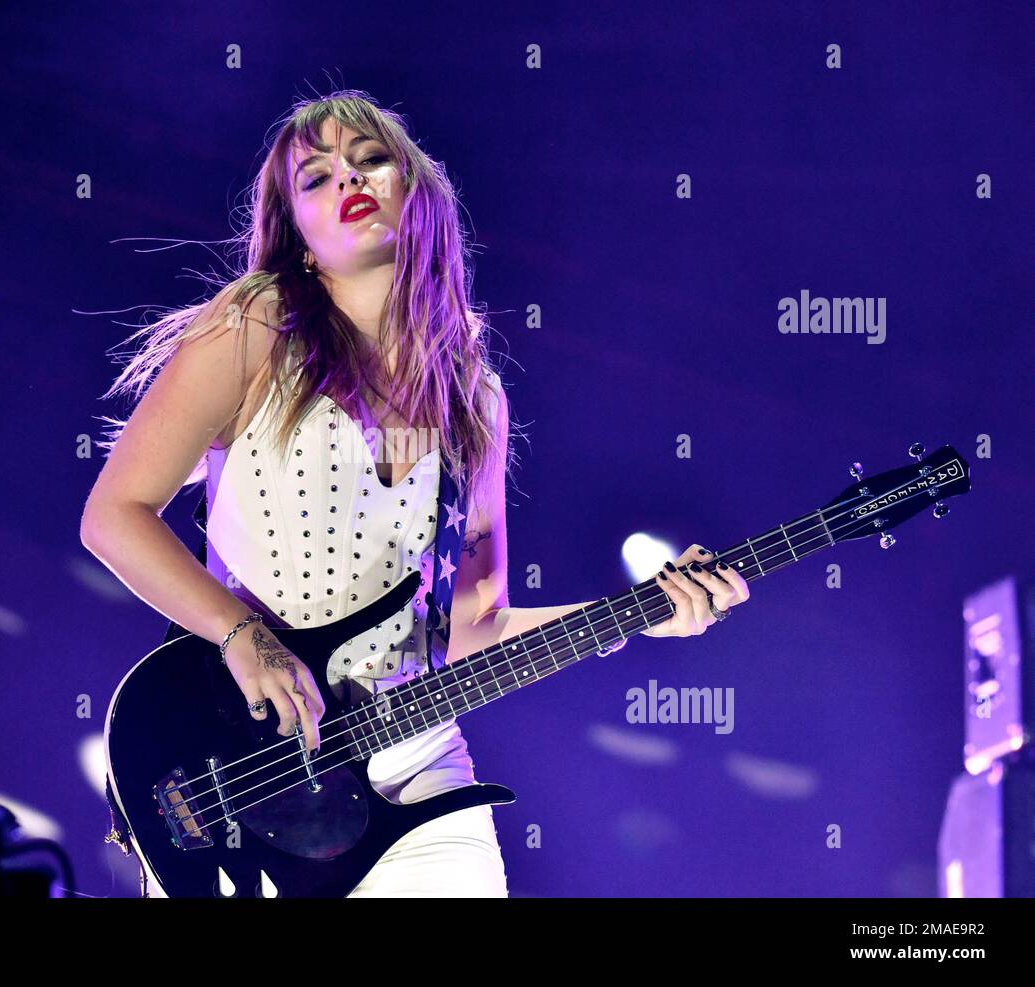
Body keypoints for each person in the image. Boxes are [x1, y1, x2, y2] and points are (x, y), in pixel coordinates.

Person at [79, 90, 751, 897]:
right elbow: (113, 516)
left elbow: (474, 624)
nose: (349, 179)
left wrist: (642, 616)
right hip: (255, 767)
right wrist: (238, 635)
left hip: (422, 770)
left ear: (416, 192)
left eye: (370, 161)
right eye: (316, 177)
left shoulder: (477, 399)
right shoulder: (254, 329)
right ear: (297, 234)